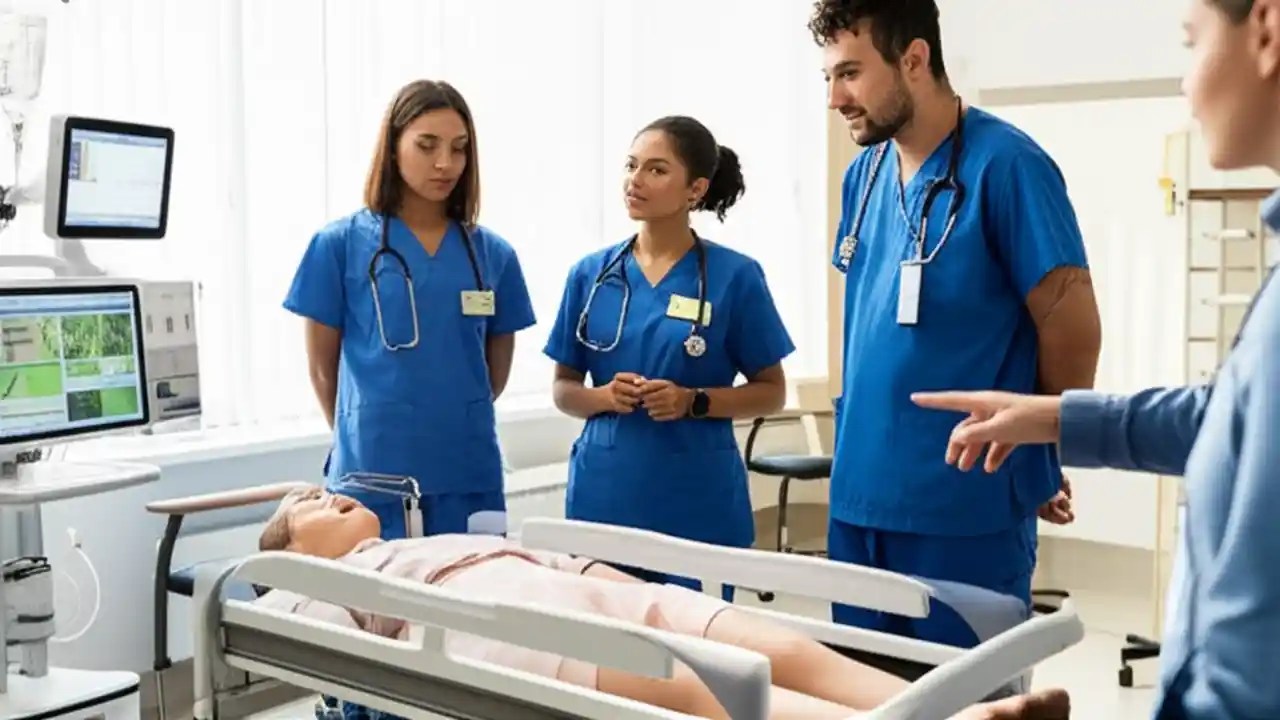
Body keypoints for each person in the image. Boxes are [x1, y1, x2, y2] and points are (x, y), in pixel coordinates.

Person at [911, 2, 1280, 716]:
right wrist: (1053, 417)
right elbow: (1231, 414)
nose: (1185, 85)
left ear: (1266, 29)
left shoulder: (1009, 165)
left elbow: (1255, 649)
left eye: (1192, 42)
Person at [808, 0, 1103, 647]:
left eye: (850, 73)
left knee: (968, 692)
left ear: (914, 59)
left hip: (964, 501)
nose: (835, 98)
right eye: (828, 77)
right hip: (860, 495)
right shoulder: (864, 176)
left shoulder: (1009, 166)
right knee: (864, 687)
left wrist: (1041, 448)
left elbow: (1072, 326)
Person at [256, 486, 1073, 720]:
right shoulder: (322, 587)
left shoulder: (424, 538)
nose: (331, 497)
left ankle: (957, 709)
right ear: (290, 556)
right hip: (510, 632)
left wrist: (634, 588)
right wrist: (289, 582)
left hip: (592, 590)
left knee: (778, 650)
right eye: (310, 508)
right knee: (713, 691)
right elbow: (315, 642)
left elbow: (556, 556)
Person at [542, 116, 794, 593]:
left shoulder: (735, 276)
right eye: (631, 166)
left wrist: (693, 401)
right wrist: (603, 398)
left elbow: (771, 392)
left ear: (695, 189)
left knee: (696, 632)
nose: (635, 180)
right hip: (607, 494)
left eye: (656, 170)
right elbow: (564, 389)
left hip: (695, 495)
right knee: (607, 629)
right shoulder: (590, 275)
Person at [282, 79, 536, 539]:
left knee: (478, 577)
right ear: (393, 145)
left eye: (459, 148)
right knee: (374, 584)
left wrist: (453, 411)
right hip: (372, 470)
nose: (445, 163)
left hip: (468, 468)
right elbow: (322, 370)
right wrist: (369, 426)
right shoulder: (338, 245)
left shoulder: (492, 255)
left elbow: (495, 374)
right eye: (427, 145)